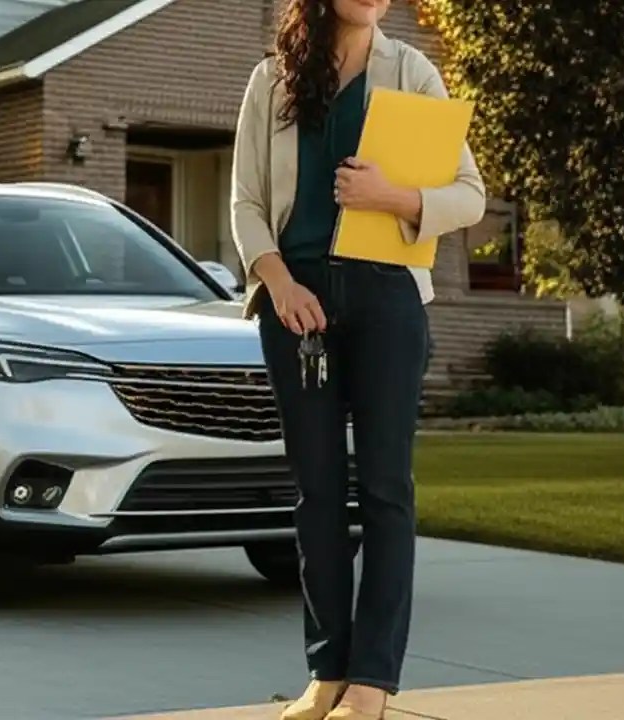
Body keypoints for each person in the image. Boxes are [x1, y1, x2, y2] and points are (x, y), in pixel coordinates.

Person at [230, 1, 486, 718]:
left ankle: (372, 683)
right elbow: (245, 203)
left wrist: (393, 196)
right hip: (296, 307)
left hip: (386, 301)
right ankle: (327, 674)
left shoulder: (412, 72)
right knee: (316, 494)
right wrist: (277, 283)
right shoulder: (269, 82)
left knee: (384, 491)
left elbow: (470, 194)